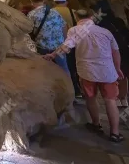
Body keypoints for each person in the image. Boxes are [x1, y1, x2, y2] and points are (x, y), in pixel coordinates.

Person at [45, 9, 124, 142]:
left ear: (76, 17)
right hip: (107, 71)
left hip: (87, 71)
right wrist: (118, 68)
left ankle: (96, 124)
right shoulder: (105, 32)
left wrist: (52, 55)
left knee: (91, 98)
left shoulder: (75, 30)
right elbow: (115, 51)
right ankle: (115, 133)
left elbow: (66, 46)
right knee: (110, 101)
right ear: (92, 16)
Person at [96, 0, 129, 108]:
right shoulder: (118, 21)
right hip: (123, 51)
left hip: (109, 53)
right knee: (124, 75)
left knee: (113, 76)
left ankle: (116, 97)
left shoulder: (99, 24)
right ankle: (124, 98)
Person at [26, 0, 69, 73]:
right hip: (58, 47)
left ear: (32, 3)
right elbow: (64, 26)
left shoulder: (31, 15)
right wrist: (65, 42)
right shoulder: (55, 12)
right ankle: (69, 84)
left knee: (44, 70)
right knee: (63, 68)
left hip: (42, 47)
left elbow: (28, 32)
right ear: (43, 1)